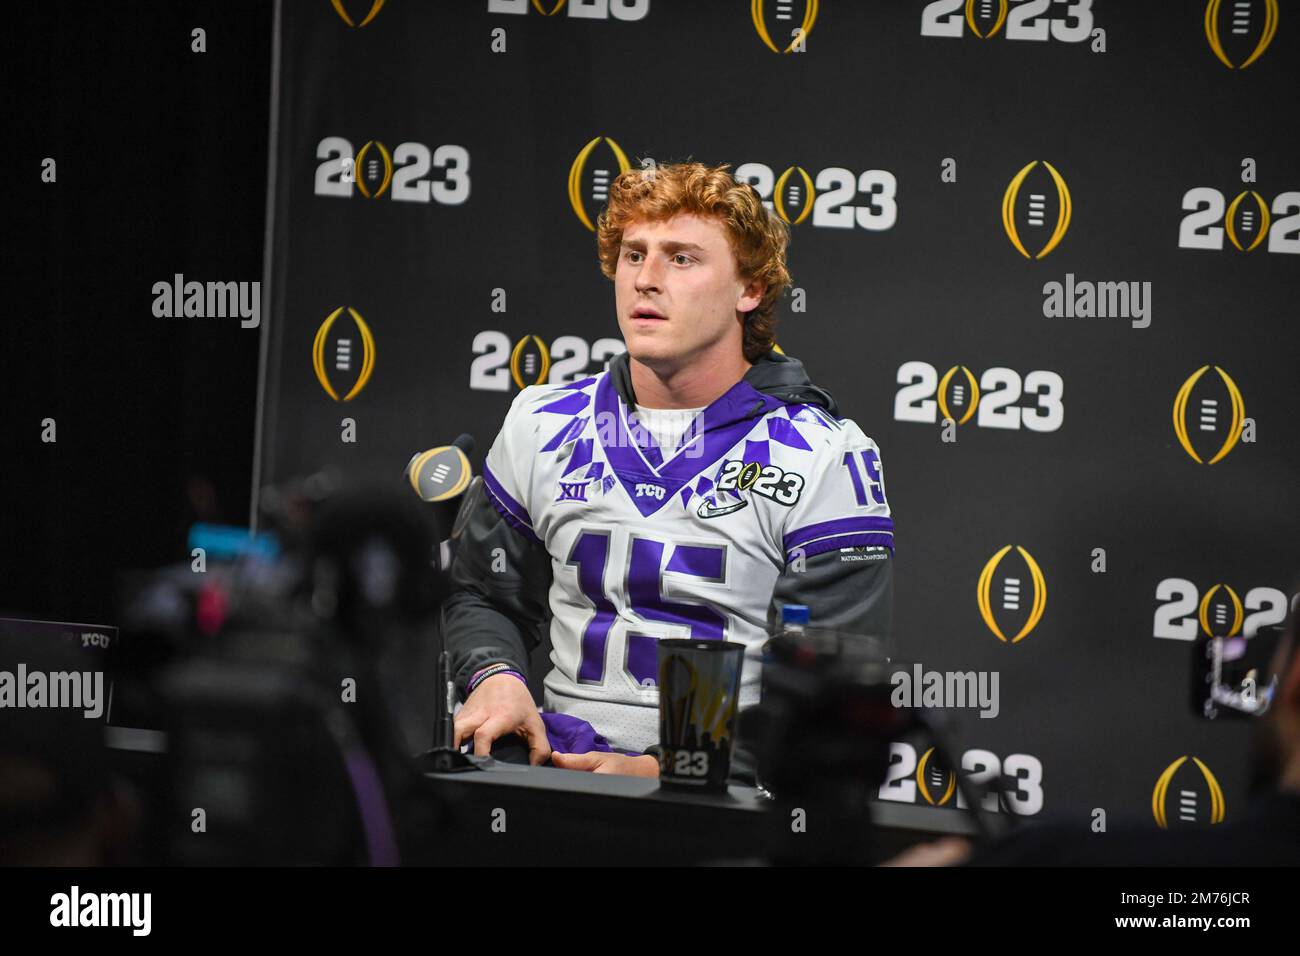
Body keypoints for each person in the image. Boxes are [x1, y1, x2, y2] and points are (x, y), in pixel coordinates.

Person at [442, 161, 894, 781]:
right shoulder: (539, 421)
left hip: (722, 806)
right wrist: (495, 678)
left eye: (682, 259)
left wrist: (667, 773)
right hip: (555, 776)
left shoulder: (824, 455)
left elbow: (828, 705)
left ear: (751, 289)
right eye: (633, 255)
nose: (646, 281)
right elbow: (481, 595)